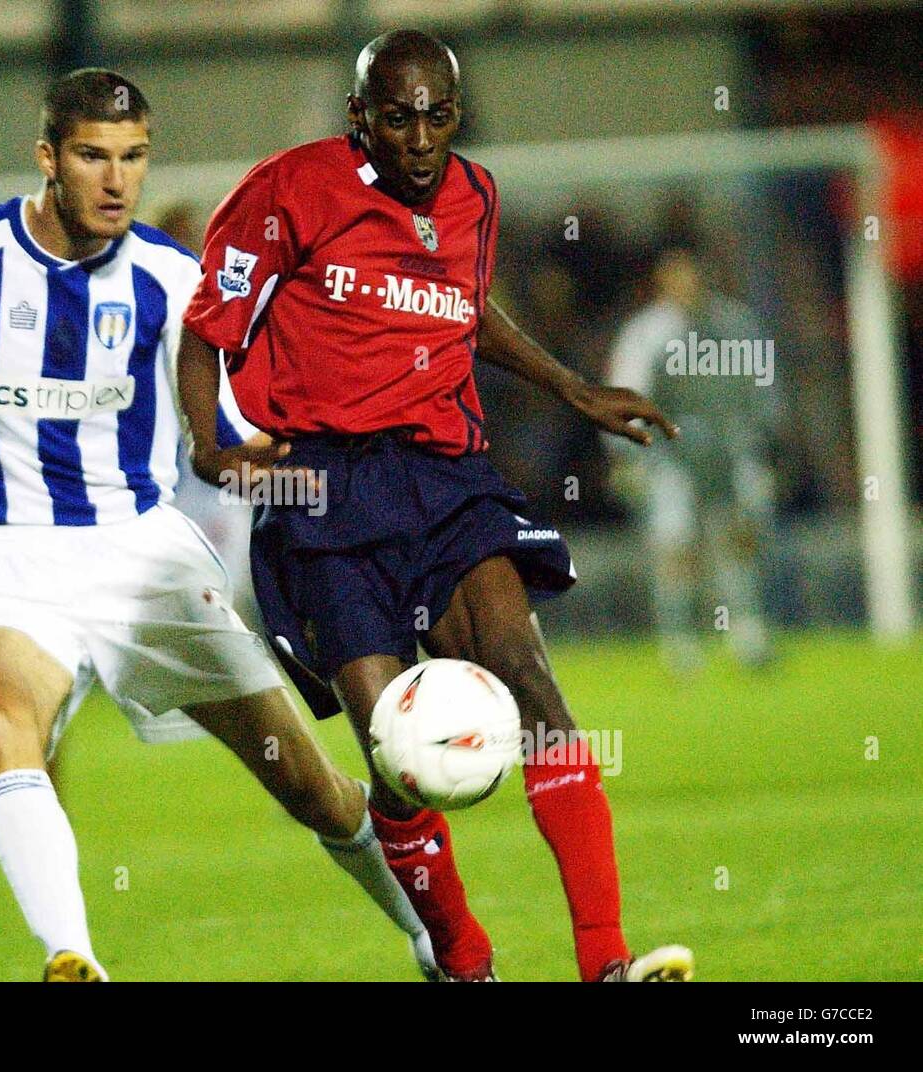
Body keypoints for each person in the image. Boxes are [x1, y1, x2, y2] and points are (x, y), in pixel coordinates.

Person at [0, 68, 440, 982]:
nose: (116, 180)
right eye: (94, 156)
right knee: (6, 720)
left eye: (134, 158)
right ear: (49, 159)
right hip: (4, 559)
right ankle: (73, 955)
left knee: (309, 783)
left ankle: (435, 944)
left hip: (144, 558)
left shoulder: (177, 281)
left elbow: (246, 420)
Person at [178, 30, 694, 982]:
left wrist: (576, 388)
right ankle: (460, 958)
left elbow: (465, 308)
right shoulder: (286, 191)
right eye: (398, 116)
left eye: (438, 116)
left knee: (532, 684)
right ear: (360, 117)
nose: (421, 139)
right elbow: (207, 328)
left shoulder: (475, 195)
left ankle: (607, 962)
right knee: (394, 753)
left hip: (446, 476)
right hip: (323, 491)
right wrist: (210, 444)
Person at [608, 246, 777, 671]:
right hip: (670, 456)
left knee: (739, 539)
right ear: (663, 283)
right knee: (675, 546)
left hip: (730, 449)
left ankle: (748, 634)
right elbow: (627, 396)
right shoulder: (646, 333)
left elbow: (762, 391)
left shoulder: (736, 325)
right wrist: (630, 455)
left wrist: (765, 446)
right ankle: (680, 644)